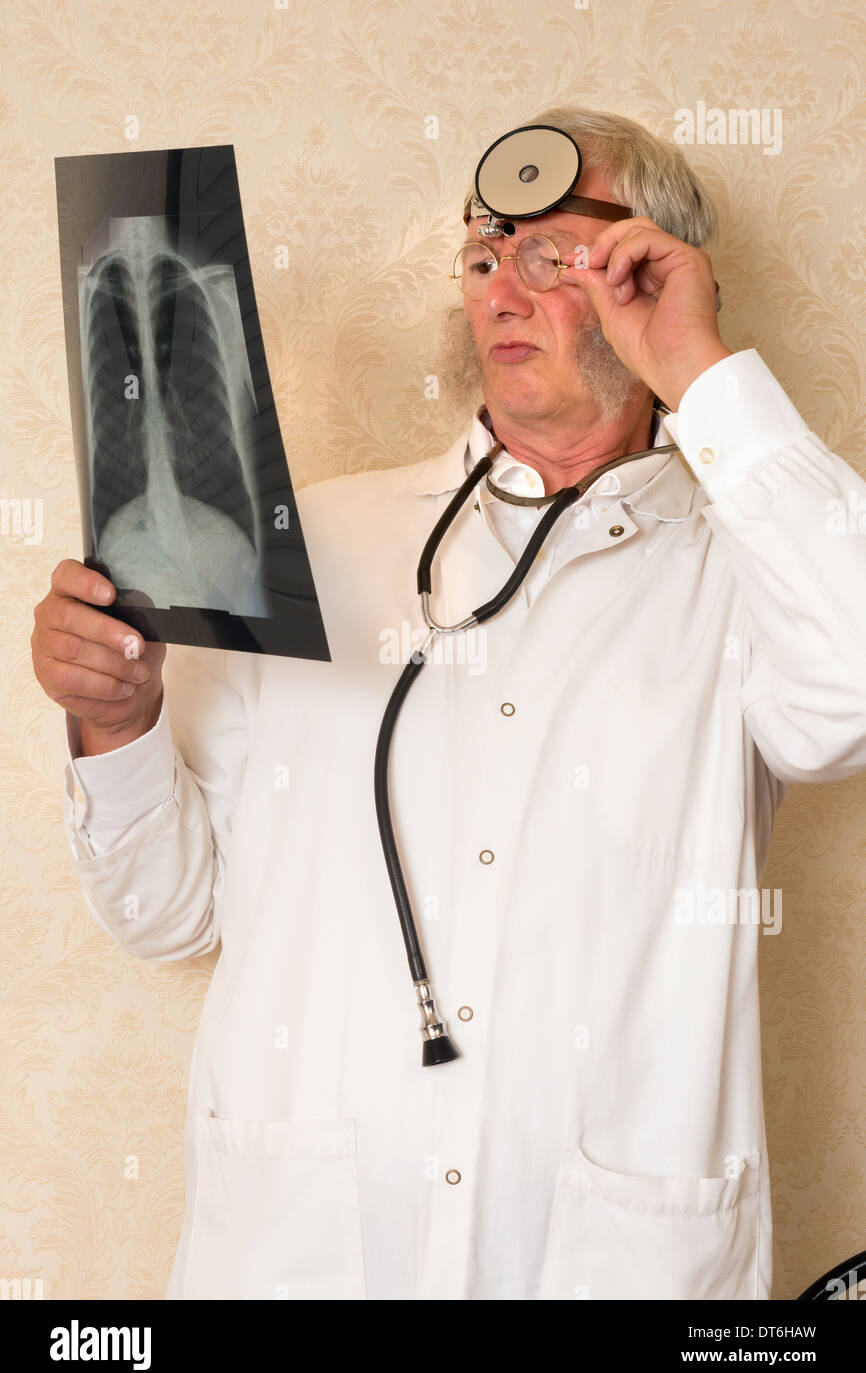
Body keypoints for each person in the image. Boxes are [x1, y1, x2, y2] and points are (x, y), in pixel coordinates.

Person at [31, 105, 866, 1300]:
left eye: (547, 255)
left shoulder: (745, 568)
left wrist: (697, 369)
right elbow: (166, 912)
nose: (499, 294)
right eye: (483, 257)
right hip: (300, 1257)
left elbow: (848, 697)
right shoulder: (304, 543)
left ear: (653, 272)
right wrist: (116, 723)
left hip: (610, 1265)